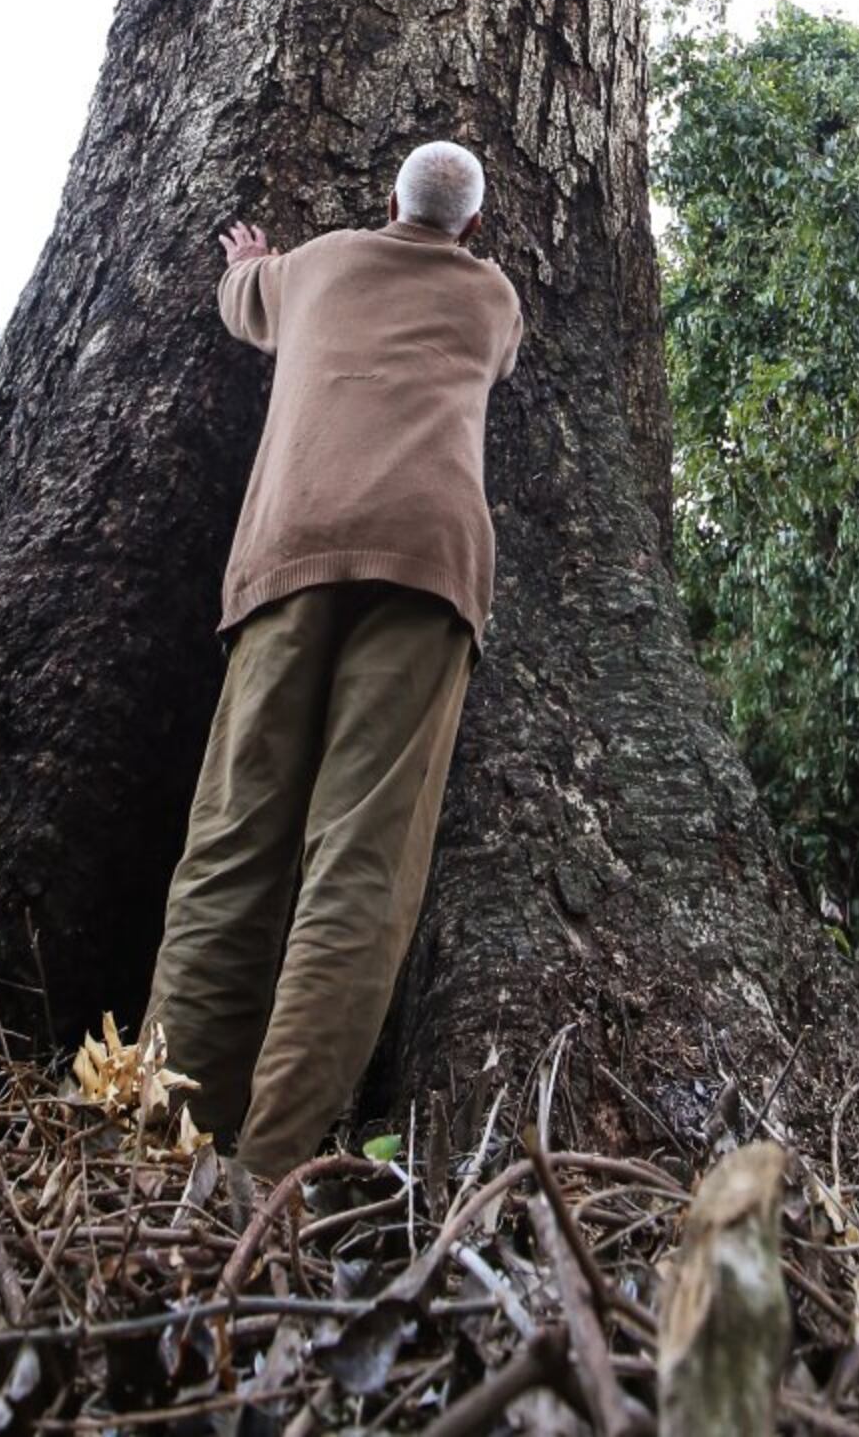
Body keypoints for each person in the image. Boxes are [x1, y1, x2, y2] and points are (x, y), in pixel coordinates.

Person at [142, 139, 522, 1181]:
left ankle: (163, 1142)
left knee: (231, 844)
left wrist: (246, 262)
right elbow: (498, 360)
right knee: (358, 864)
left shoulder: (313, 266)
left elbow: (241, 297)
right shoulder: (492, 302)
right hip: (428, 564)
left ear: (382, 201)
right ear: (475, 228)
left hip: (291, 553)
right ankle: (267, 1176)